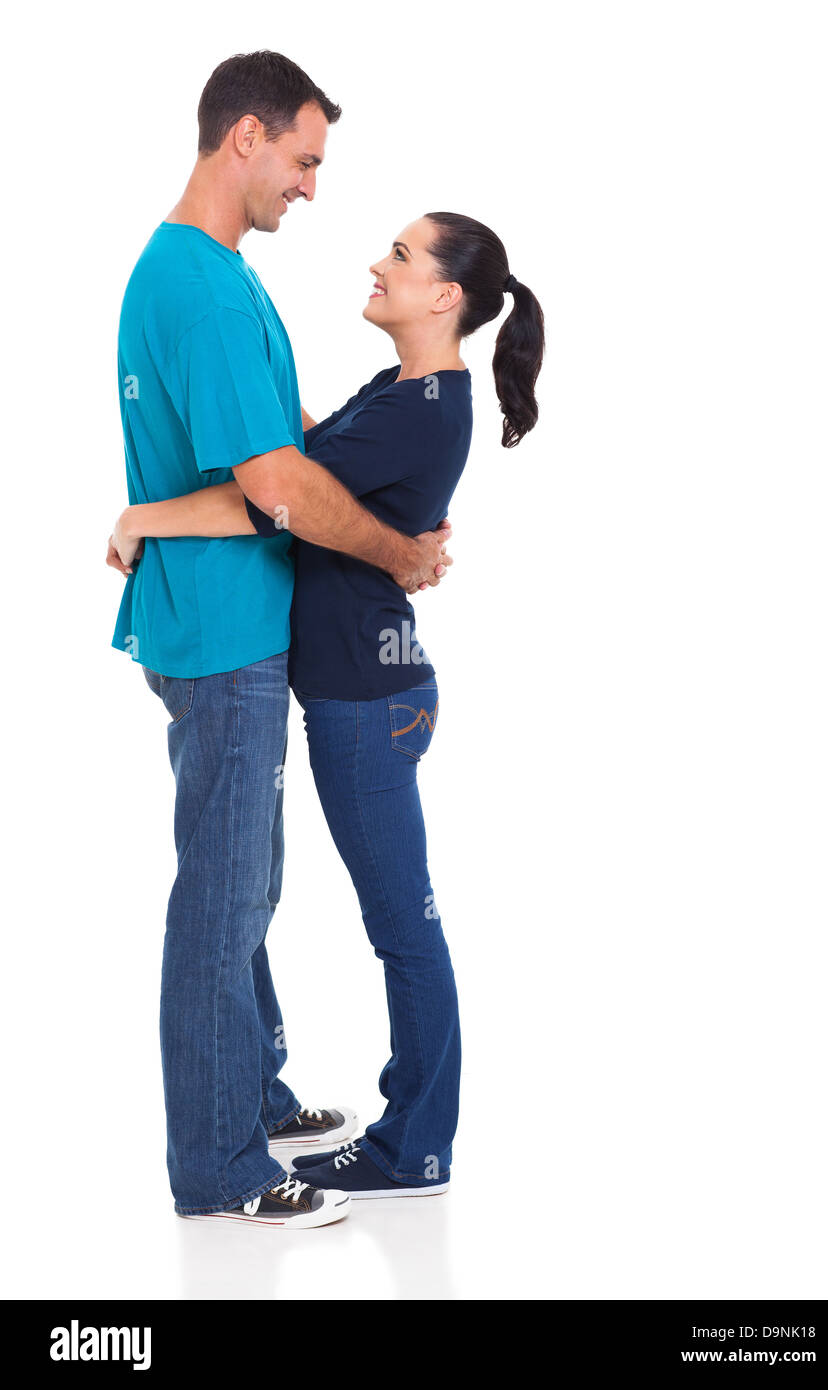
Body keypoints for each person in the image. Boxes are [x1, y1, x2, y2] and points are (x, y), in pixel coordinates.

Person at [110, 211, 545, 1200]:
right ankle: (362, 1118)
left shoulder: (425, 406)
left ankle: (415, 1145)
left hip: (368, 702)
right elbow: (300, 453)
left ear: (445, 296)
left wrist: (144, 515)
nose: (375, 262)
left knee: (402, 921)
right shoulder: (400, 389)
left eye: (399, 254)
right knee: (362, 908)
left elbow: (283, 499)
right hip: (359, 688)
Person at [107, 51, 451, 1230]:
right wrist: (400, 554)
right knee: (221, 895)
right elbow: (275, 486)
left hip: (218, 614)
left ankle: (246, 1089)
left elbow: (287, 437)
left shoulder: (211, 273)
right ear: (243, 137)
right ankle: (218, 1165)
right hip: (223, 628)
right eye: (303, 159)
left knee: (243, 879)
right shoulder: (200, 287)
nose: (311, 187)